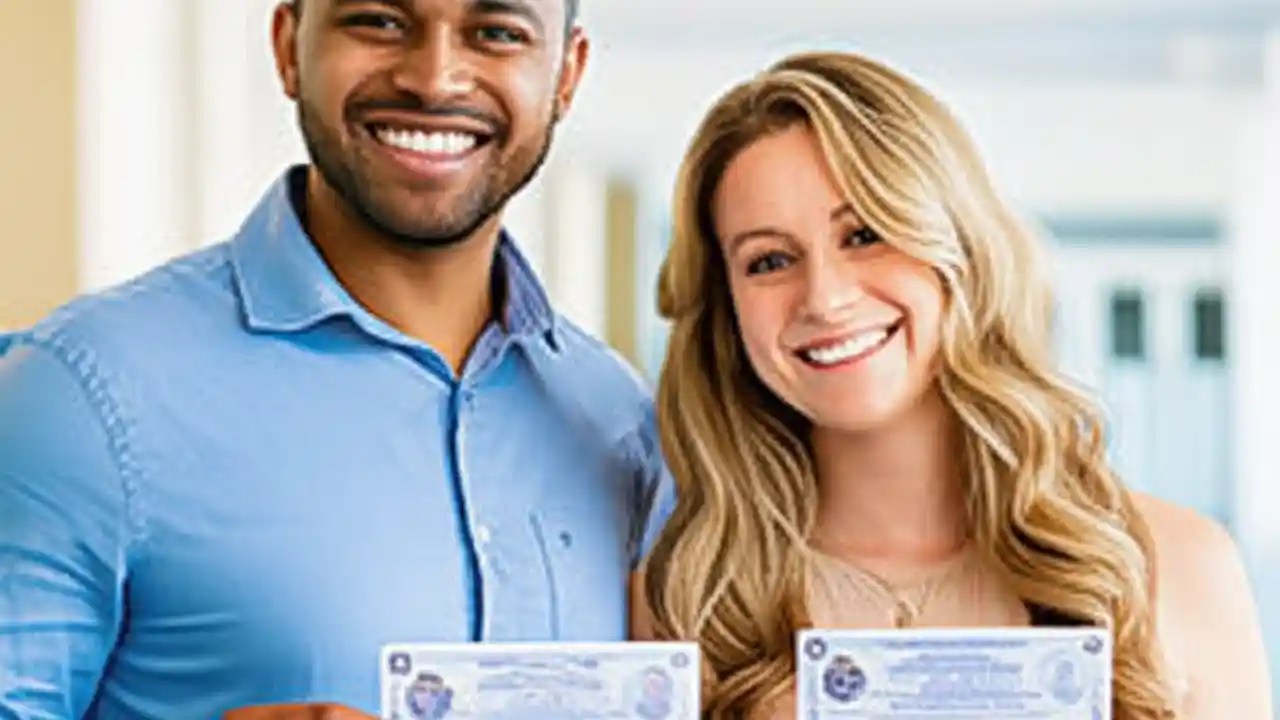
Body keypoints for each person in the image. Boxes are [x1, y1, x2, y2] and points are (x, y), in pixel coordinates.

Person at [0, 1, 672, 718]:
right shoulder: (76, 393)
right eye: (379, 21)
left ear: (566, 75)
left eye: (496, 33)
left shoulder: (617, 418)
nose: (434, 78)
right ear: (290, 47)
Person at [631, 50, 1272, 719]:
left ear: (960, 249)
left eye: (865, 234)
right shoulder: (684, 600)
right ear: (728, 312)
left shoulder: (1177, 566)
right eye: (769, 260)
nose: (823, 298)